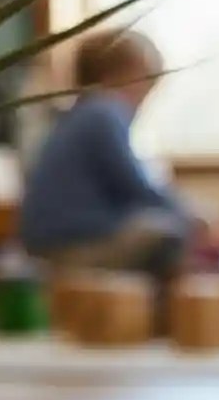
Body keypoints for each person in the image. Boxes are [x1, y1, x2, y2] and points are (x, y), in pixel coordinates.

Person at [20, 30, 196, 279]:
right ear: (117, 75)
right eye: (144, 81)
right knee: (169, 233)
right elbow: (137, 187)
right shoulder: (103, 112)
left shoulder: (76, 116)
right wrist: (194, 216)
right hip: (70, 246)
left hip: (46, 243)